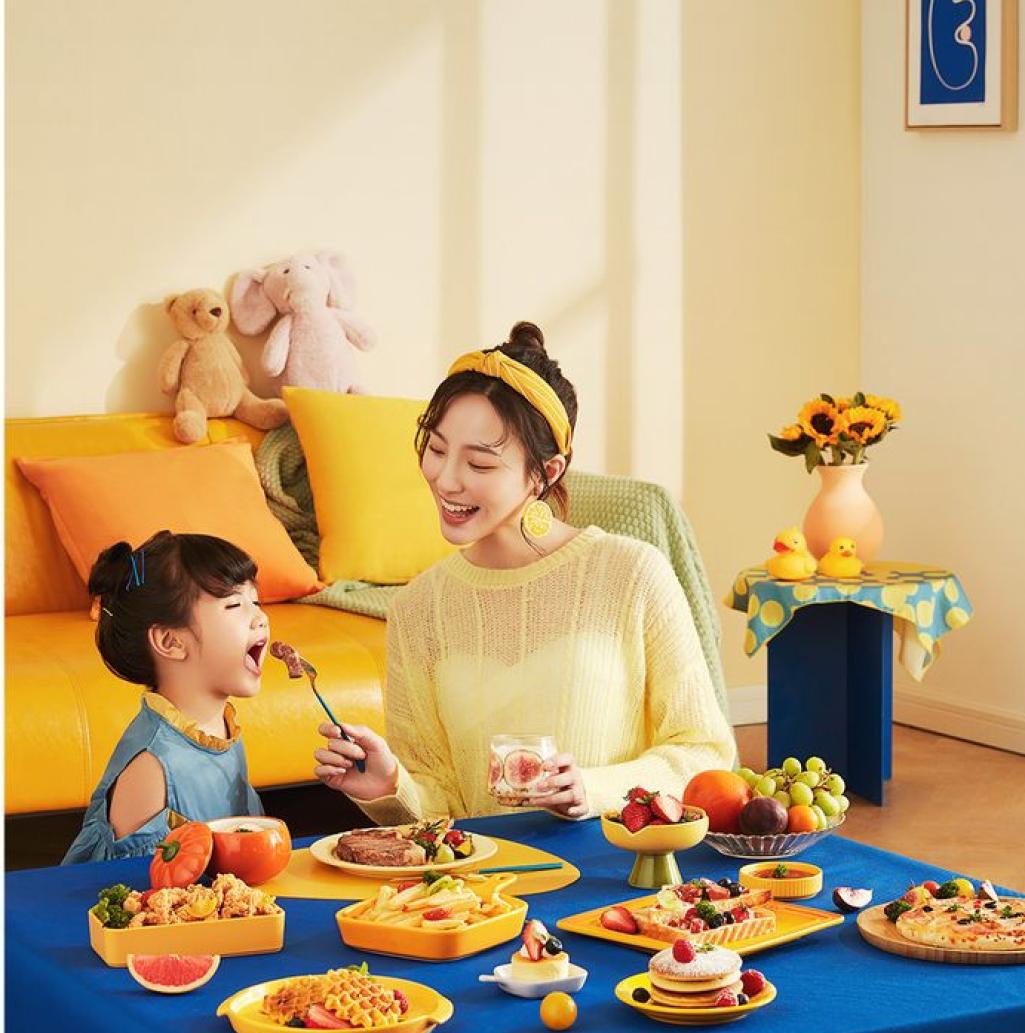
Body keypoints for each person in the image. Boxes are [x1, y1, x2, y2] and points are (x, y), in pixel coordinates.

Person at [314, 322, 737, 821]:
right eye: (436, 448)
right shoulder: (418, 608)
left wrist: (593, 791)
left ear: (547, 472)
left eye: (480, 464)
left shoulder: (632, 573)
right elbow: (440, 805)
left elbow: (705, 752)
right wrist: (390, 786)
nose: (445, 479)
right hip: (486, 890)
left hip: (615, 877)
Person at [63, 531, 267, 862]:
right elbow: (136, 890)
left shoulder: (223, 729)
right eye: (234, 604)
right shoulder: (152, 766)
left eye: (255, 601)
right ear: (170, 642)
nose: (260, 617)